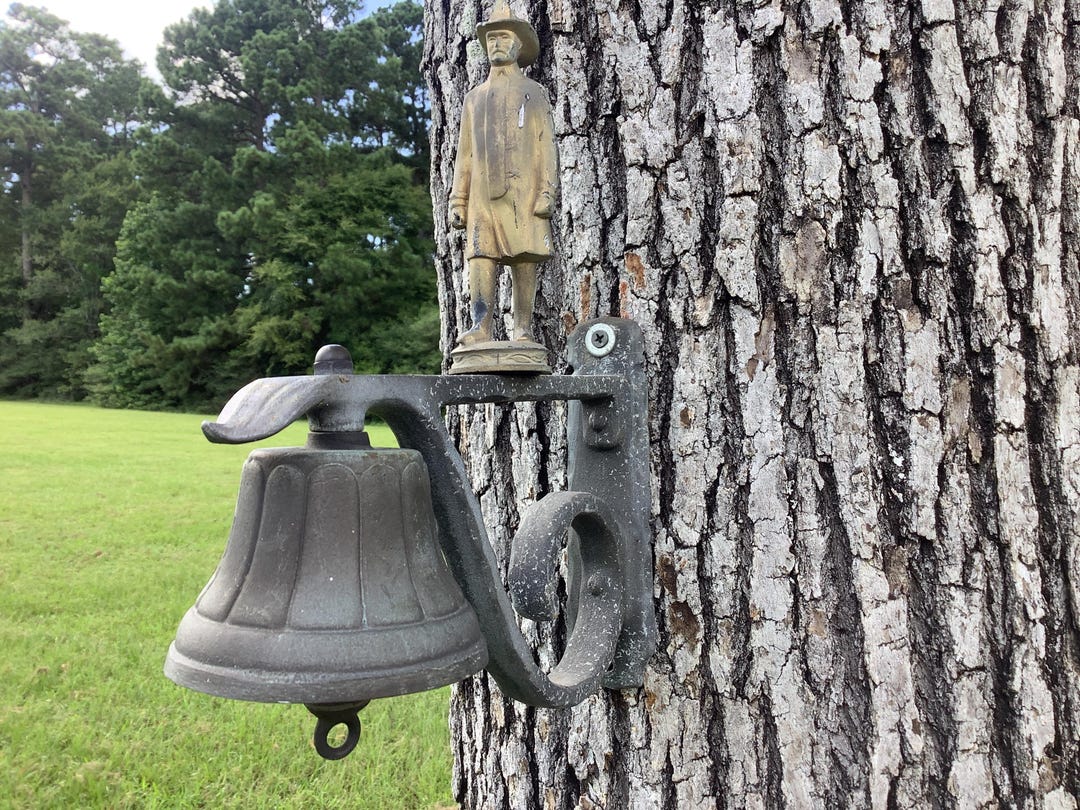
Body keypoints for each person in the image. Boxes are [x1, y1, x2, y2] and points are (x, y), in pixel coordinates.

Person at [449, 0, 558, 347]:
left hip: (522, 193)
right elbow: (464, 154)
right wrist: (458, 198)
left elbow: (546, 147)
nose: (497, 43)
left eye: (504, 37)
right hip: (482, 195)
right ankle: (480, 325)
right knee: (481, 256)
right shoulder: (473, 98)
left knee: (524, 256)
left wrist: (547, 192)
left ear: (518, 44)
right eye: (491, 38)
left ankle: (522, 329)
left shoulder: (533, 94)